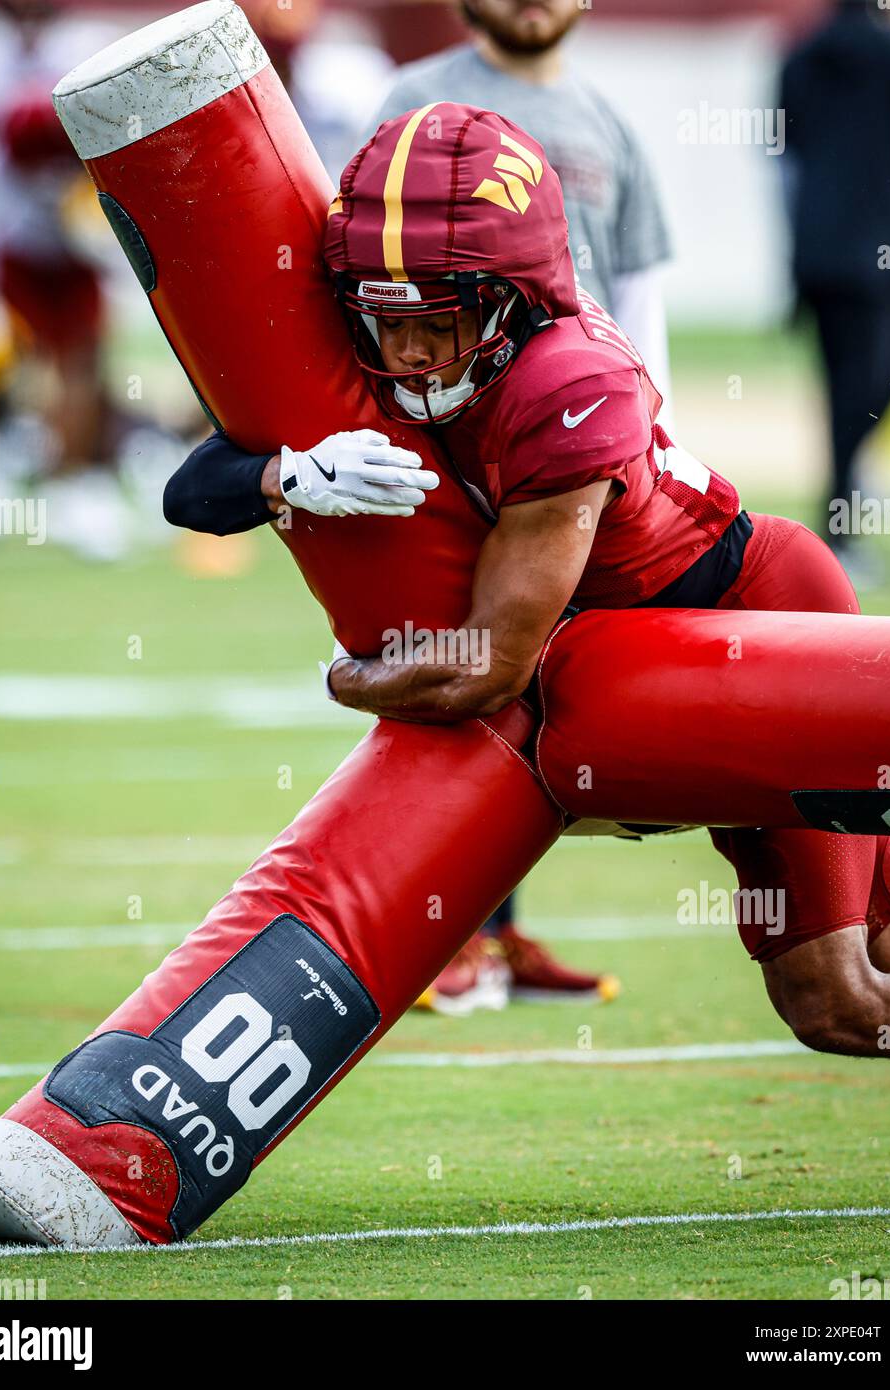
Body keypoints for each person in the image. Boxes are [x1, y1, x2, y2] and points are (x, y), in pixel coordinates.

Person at [165, 105, 890, 1066]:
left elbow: (483, 669)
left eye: (436, 320)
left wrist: (343, 678)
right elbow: (187, 491)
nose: (403, 354)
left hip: (748, 617)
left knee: (836, 997)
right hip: (649, 638)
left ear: (508, 299)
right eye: (380, 315)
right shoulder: (402, 340)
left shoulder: (564, 385)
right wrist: (290, 475)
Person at [363, 0, 672, 1006]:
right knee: (465, 665)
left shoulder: (605, 113)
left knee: (535, 680)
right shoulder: (417, 99)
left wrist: (650, 424)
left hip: (578, 436)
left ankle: (495, 925)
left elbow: (639, 279)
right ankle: (453, 931)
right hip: (466, 431)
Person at [779, 0, 890, 580]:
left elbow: (785, 170)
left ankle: (849, 499)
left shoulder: (801, 56)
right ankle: (841, 528)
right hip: (883, 257)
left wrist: (792, 263)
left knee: (844, 392)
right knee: (861, 394)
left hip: (820, 255)